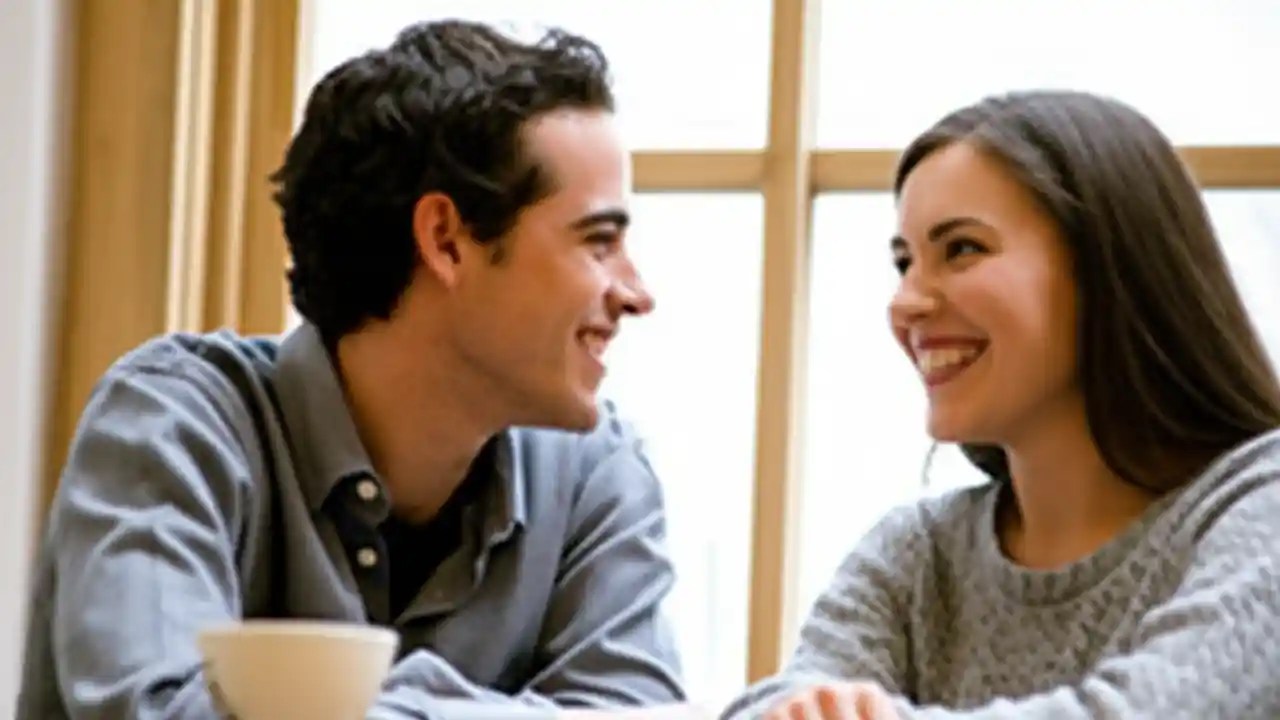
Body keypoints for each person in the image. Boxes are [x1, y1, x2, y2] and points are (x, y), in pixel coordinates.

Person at [18, 19, 697, 719]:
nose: (636, 293)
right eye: (598, 242)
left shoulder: (596, 477)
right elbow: (158, 713)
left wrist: (354, 705)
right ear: (445, 241)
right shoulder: (169, 430)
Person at [721, 90, 1280, 719]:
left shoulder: (1260, 503)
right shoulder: (919, 555)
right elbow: (779, 701)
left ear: (1106, 267)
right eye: (904, 262)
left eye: (961, 249)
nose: (905, 303)